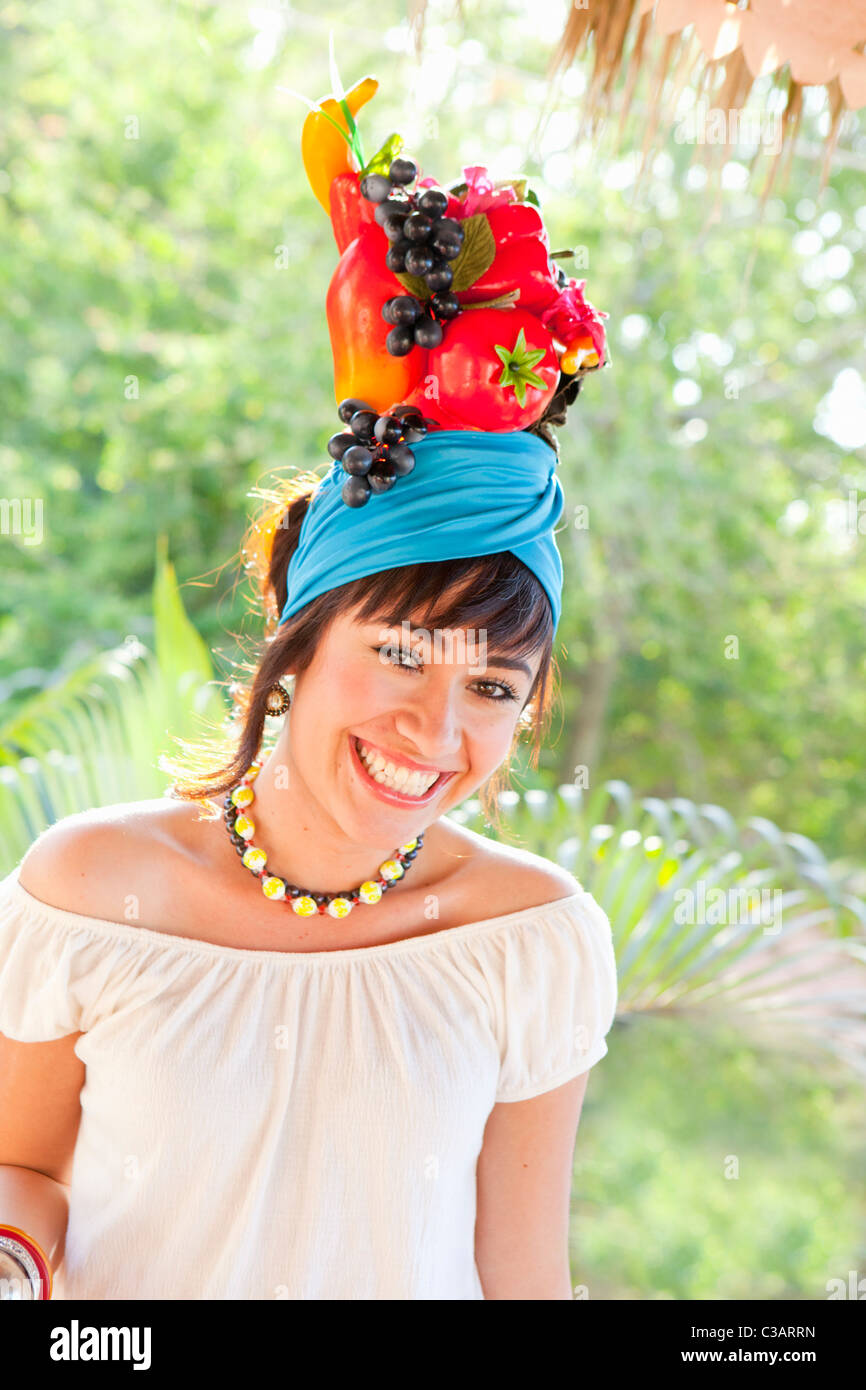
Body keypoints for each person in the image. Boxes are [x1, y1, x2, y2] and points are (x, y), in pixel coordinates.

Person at [0, 81, 617, 1301]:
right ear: (299, 629)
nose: (436, 733)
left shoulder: (531, 939)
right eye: (398, 653)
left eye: (493, 683)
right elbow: (21, 1172)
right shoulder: (87, 891)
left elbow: (521, 1274)